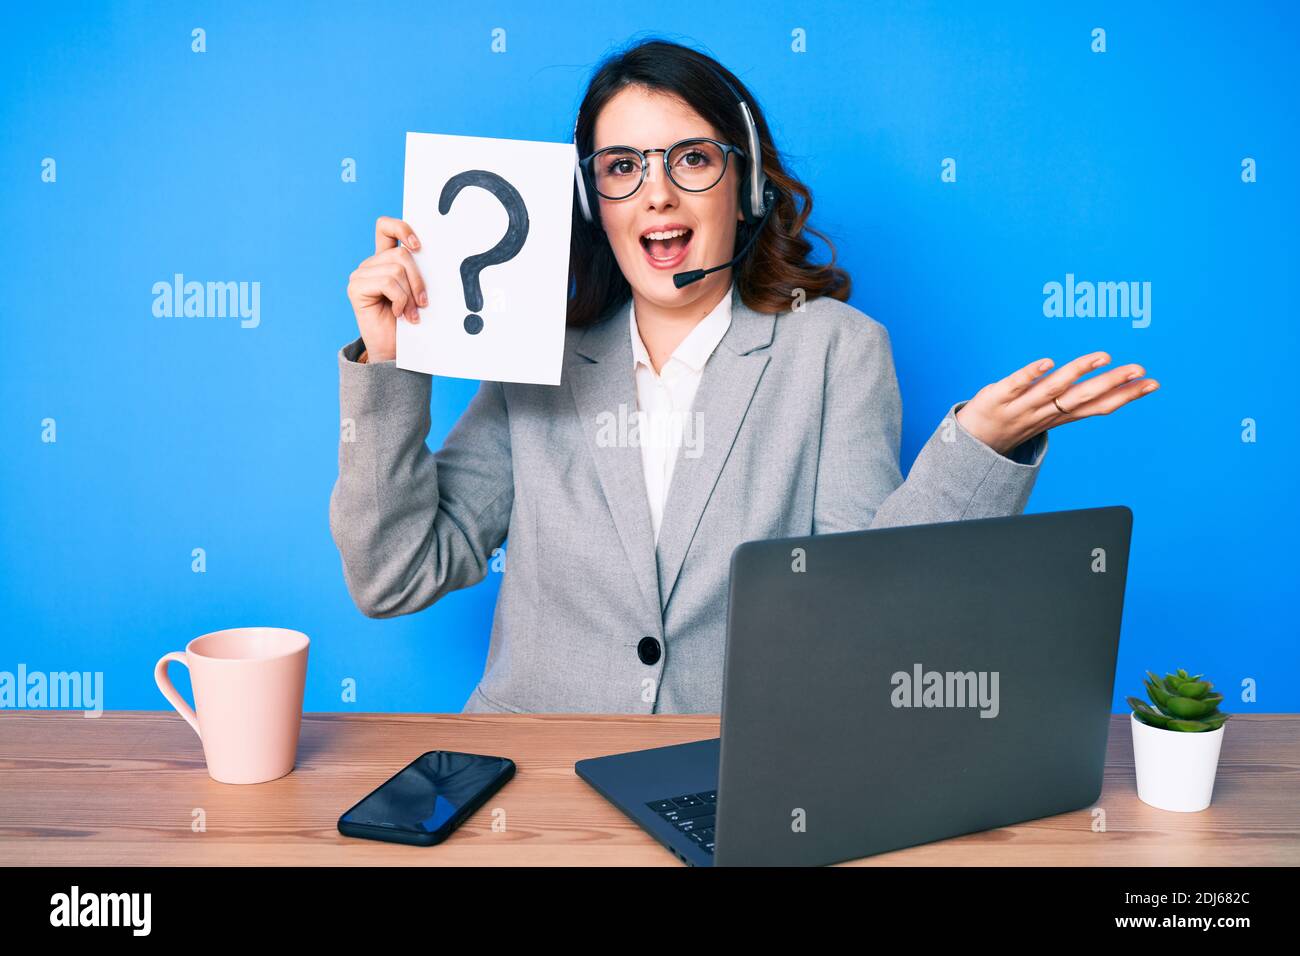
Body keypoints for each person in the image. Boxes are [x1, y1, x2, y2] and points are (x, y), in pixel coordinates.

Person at [329, 39, 1158, 714]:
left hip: (742, 778)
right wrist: (390, 367)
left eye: (690, 158)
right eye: (621, 168)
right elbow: (393, 573)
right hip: (539, 782)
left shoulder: (837, 351)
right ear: (591, 203)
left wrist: (975, 452)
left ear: (747, 181)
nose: (656, 194)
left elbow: (871, 611)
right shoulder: (535, 360)